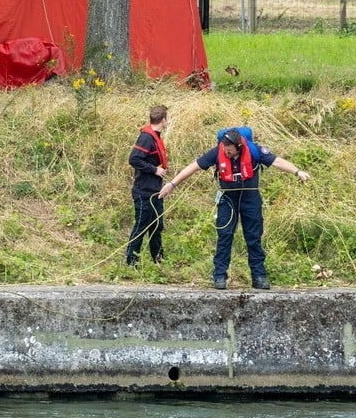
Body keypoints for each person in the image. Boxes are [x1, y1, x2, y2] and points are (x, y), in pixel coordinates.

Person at [159, 128, 310, 290]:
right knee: (224, 235)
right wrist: (172, 184)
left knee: (253, 236)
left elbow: (277, 161)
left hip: (250, 199)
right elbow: (194, 166)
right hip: (227, 199)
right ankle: (219, 276)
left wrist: (297, 171)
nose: (226, 152)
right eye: (224, 148)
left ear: (239, 146)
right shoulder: (218, 152)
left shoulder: (254, 151)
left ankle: (259, 275)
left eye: (229, 149)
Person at [125, 105, 169, 266]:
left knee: (157, 226)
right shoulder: (147, 138)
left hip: (156, 191)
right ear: (163, 120)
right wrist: (154, 170)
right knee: (142, 226)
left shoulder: (155, 136)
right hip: (144, 191)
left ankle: (158, 259)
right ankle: (131, 261)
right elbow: (134, 159)